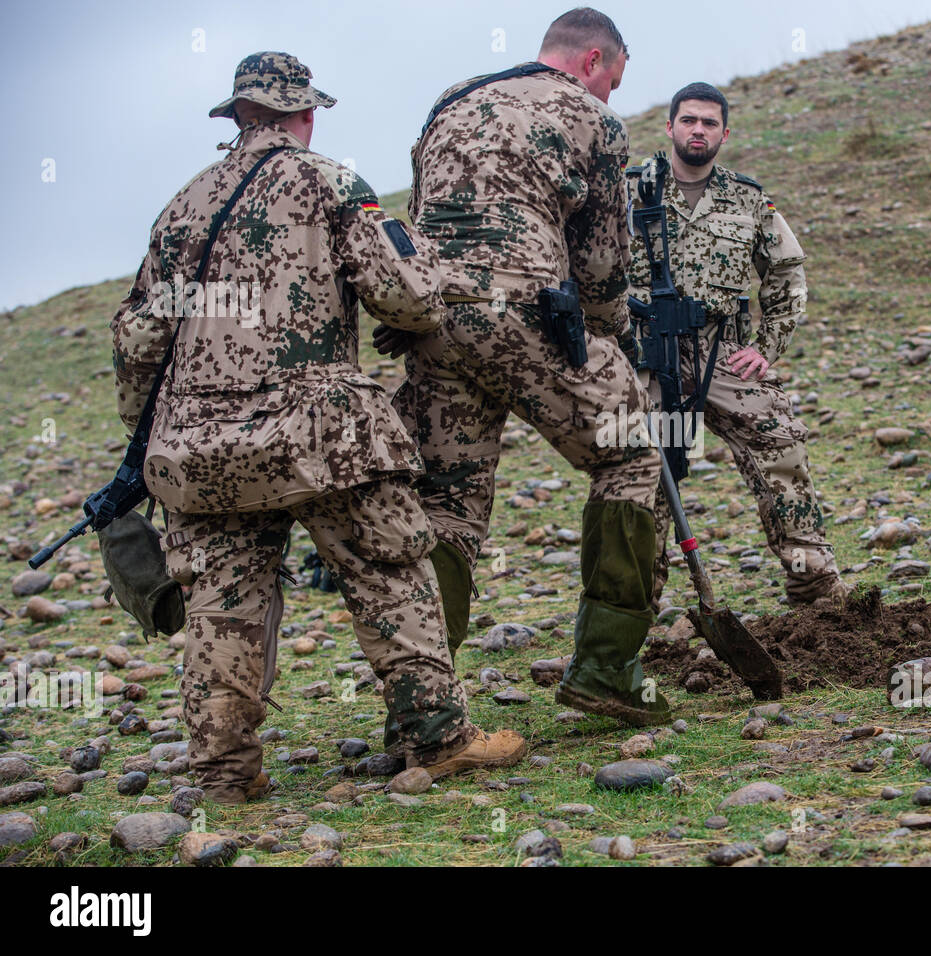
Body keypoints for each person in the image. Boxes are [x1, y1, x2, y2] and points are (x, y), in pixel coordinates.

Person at [110, 52, 525, 804]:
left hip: (199, 449)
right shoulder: (329, 182)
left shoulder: (180, 208)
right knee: (389, 568)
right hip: (315, 433)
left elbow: (138, 340)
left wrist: (151, 436)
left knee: (224, 603)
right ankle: (436, 738)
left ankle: (225, 774)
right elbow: (403, 299)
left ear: (237, 116)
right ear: (305, 114)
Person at [381, 8, 668, 726]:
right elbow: (602, 262)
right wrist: (608, 343)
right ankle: (606, 667)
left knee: (447, 501)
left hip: (435, 318)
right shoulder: (591, 120)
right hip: (525, 313)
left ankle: (424, 709)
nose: (610, 97)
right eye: (615, 82)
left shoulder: (452, 98)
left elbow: (417, 219)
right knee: (630, 457)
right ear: (594, 61)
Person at [627, 82, 850, 608]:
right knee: (639, 471)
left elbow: (787, 274)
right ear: (670, 128)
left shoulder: (747, 199)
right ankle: (630, 610)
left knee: (780, 444)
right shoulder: (630, 190)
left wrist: (767, 347)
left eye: (708, 123)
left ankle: (814, 583)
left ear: (724, 133)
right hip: (644, 355)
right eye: (688, 120)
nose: (697, 130)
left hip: (721, 350)